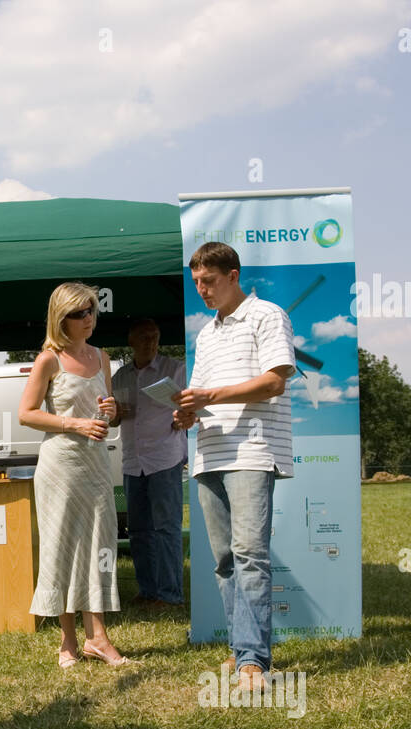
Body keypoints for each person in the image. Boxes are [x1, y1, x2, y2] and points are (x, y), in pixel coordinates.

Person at [174, 242, 295, 691]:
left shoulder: (268, 315)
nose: (202, 290)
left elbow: (275, 382)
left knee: (250, 555)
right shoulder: (207, 334)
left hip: (252, 451)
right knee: (225, 560)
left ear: (234, 274)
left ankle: (254, 664)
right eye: (197, 283)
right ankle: (241, 648)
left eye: (209, 281)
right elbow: (200, 393)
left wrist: (209, 397)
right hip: (208, 453)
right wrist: (185, 412)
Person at [18, 282, 129, 668]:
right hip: (60, 466)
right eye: (81, 313)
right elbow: (27, 413)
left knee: (99, 545)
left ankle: (98, 637)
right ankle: (67, 642)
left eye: (92, 311)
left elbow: (108, 412)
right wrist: (74, 424)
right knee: (62, 545)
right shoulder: (48, 359)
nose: (89, 319)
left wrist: (111, 410)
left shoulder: (103, 357)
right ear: (60, 318)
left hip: (97, 464)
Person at [112, 318, 187, 608]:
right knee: (140, 529)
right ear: (131, 341)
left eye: (154, 336)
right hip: (133, 461)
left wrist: (183, 415)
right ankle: (148, 591)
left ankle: (171, 594)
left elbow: (189, 410)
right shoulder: (120, 377)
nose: (150, 342)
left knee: (167, 527)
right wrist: (114, 412)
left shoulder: (175, 370)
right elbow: (115, 419)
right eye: (144, 337)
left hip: (163, 459)